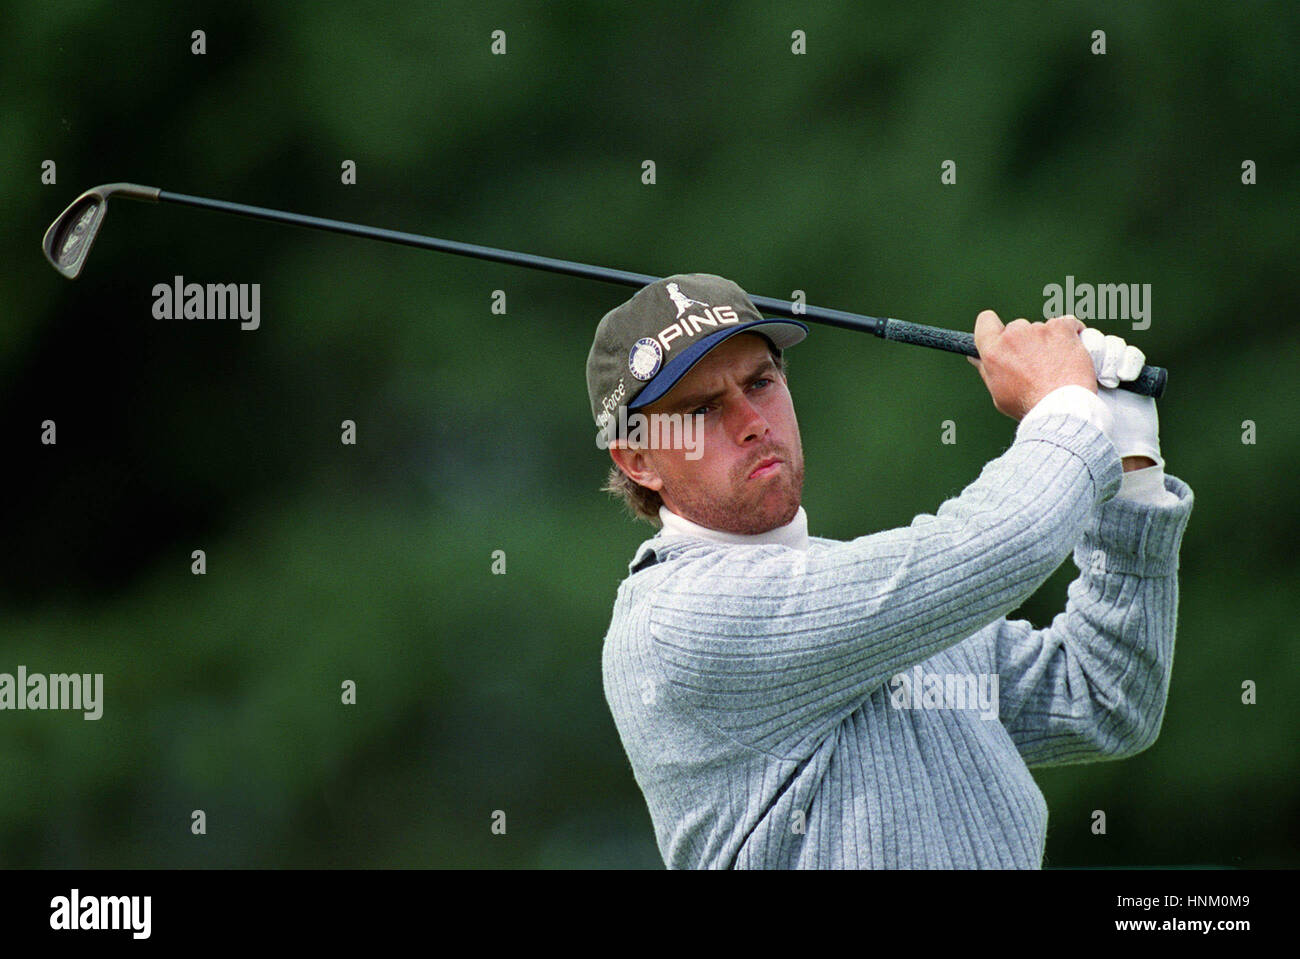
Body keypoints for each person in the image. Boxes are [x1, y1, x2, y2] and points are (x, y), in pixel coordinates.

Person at [586, 273, 1194, 869]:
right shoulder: (677, 617)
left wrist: (1132, 470)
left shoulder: (866, 597)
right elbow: (996, 544)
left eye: (761, 382)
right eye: (701, 410)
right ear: (639, 459)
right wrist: (1066, 408)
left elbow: (1104, 699)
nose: (752, 421)